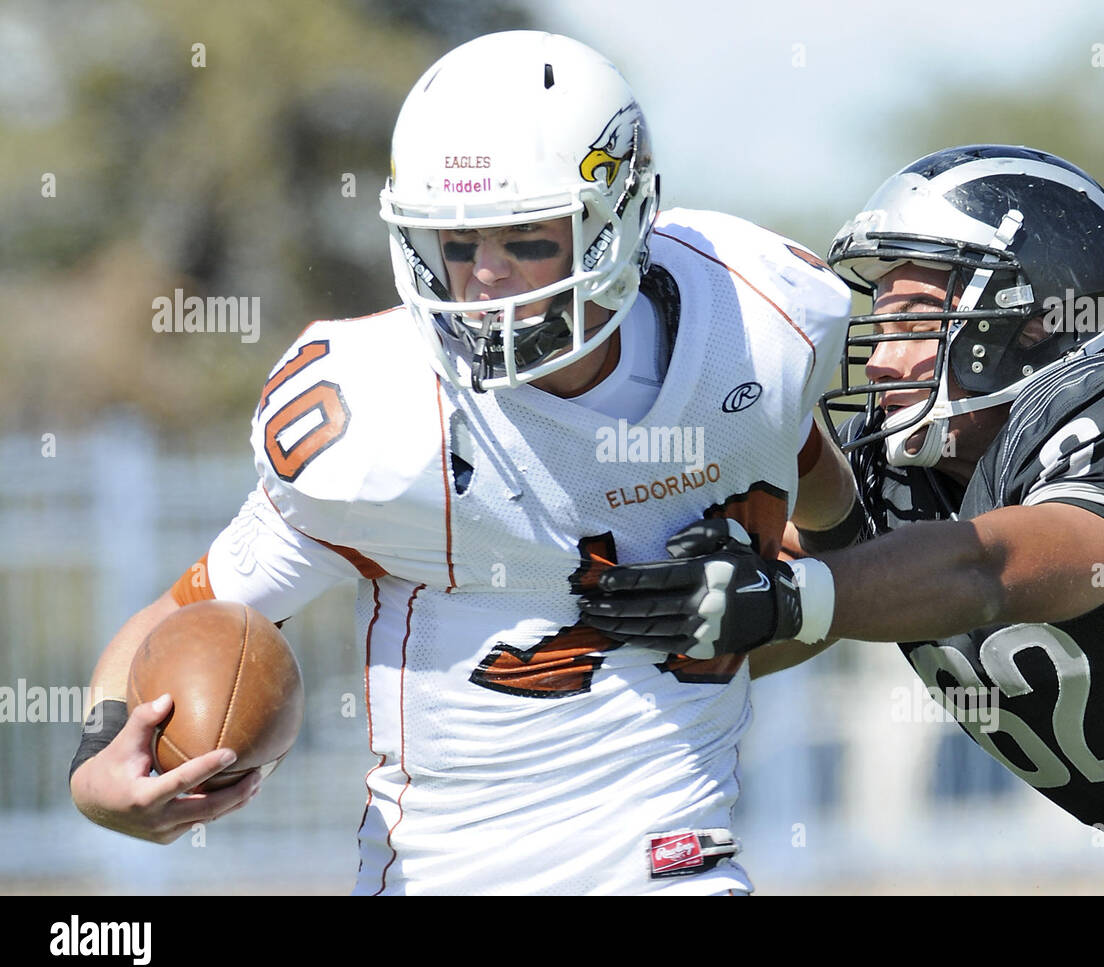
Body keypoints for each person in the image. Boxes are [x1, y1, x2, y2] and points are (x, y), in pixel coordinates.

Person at [68, 31, 858, 895]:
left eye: (524, 239)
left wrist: (787, 603)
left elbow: (832, 524)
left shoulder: (757, 326)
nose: (485, 278)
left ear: (617, 219)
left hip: (673, 868)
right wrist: (94, 769)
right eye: (456, 242)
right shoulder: (373, 419)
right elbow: (186, 611)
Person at [577, 145, 1104, 895]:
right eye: (880, 321)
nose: (883, 361)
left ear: (1033, 322)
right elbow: (763, 619)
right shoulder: (895, 475)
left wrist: (788, 594)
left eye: (915, 319)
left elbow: (993, 568)